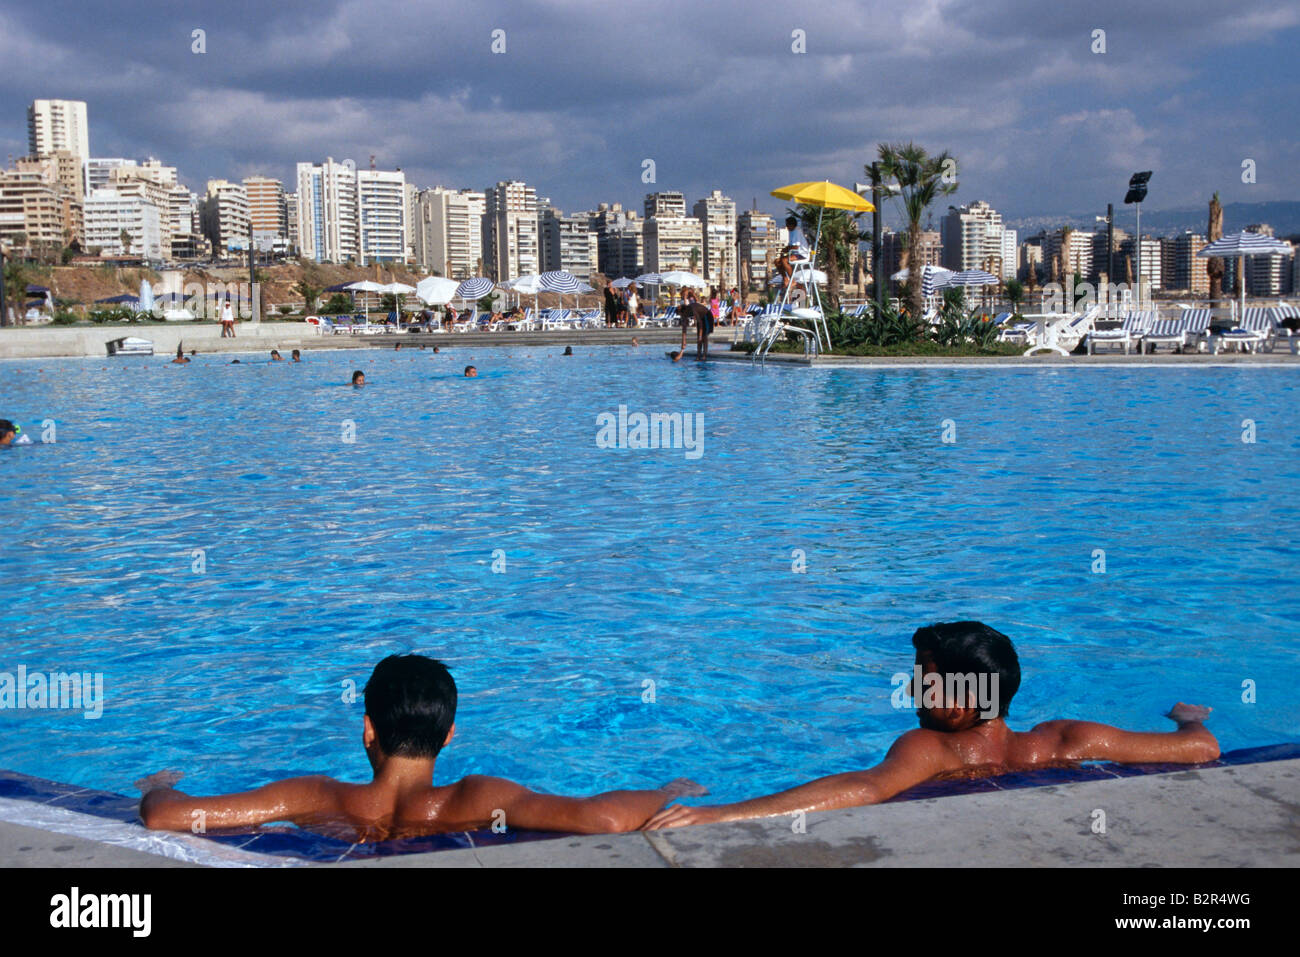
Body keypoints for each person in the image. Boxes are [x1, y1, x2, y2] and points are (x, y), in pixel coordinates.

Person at [645, 621, 1220, 830]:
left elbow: (867, 789)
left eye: (925, 680)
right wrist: (1187, 723)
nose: (913, 689)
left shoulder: (934, 748)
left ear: (965, 702)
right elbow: (1202, 749)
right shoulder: (1068, 739)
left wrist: (721, 813)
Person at [138, 654, 706, 840]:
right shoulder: (478, 799)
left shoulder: (314, 795)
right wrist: (666, 792)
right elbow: (601, 818)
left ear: (368, 729)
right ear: (449, 735)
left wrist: (156, 785)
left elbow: (168, 817)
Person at [775, 215, 810, 301]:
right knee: (777, 261)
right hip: (795, 253)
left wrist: (786, 249)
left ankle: (792, 280)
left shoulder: (797, 231)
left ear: (792, 225)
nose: (786, 227)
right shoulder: (791, 232)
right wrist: (786, 250)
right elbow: (791, 246)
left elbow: (796, 247)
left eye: (787, 225)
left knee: (784, 260)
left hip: (802, 254)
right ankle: (785, 278)